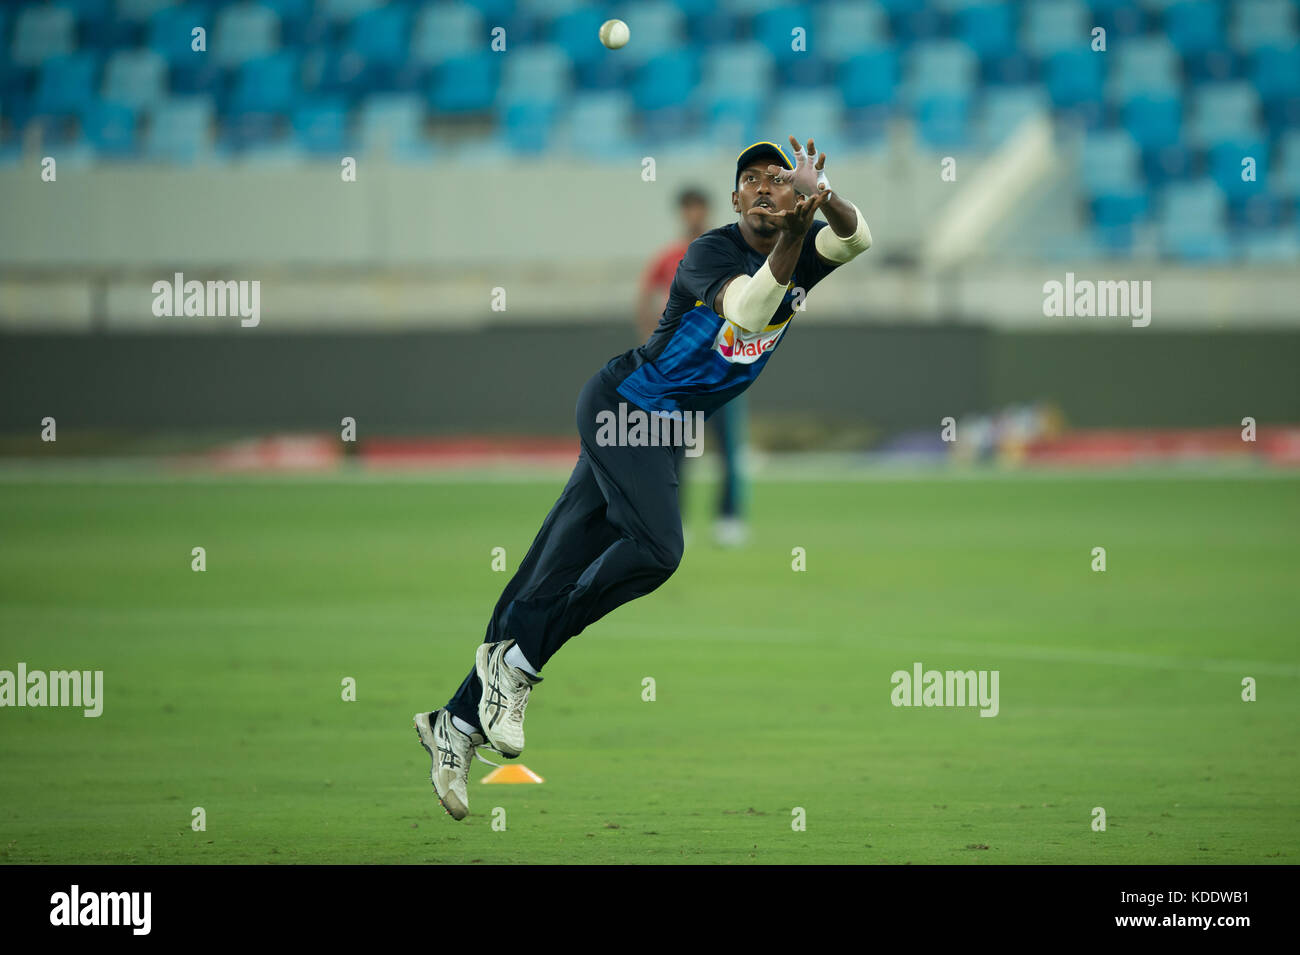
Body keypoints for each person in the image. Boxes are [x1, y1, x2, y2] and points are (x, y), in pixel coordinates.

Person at [415, 136, 873, 820]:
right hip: (624, 406)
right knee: (659, 549)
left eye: (779, 178)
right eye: (752, 179)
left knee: (547, 572)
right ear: (735, 200)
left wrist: (826, 196)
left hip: (665, 428)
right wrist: (799, 227)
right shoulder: (710, 253)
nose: (766, 187)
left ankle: (454, 723)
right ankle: (513, 667)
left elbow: (861, 237)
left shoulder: (804, 248)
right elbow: (748, 310)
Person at [637, 187, 750, 547]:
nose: (693, 215)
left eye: (698, 208)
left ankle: (730, 519)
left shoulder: (727, 252)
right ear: (681, 213)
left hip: (723, 366)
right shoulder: (668, 258)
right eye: (688, 209)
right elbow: (645, 298)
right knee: (677, 451)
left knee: (728, 448)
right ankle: (676, 519)